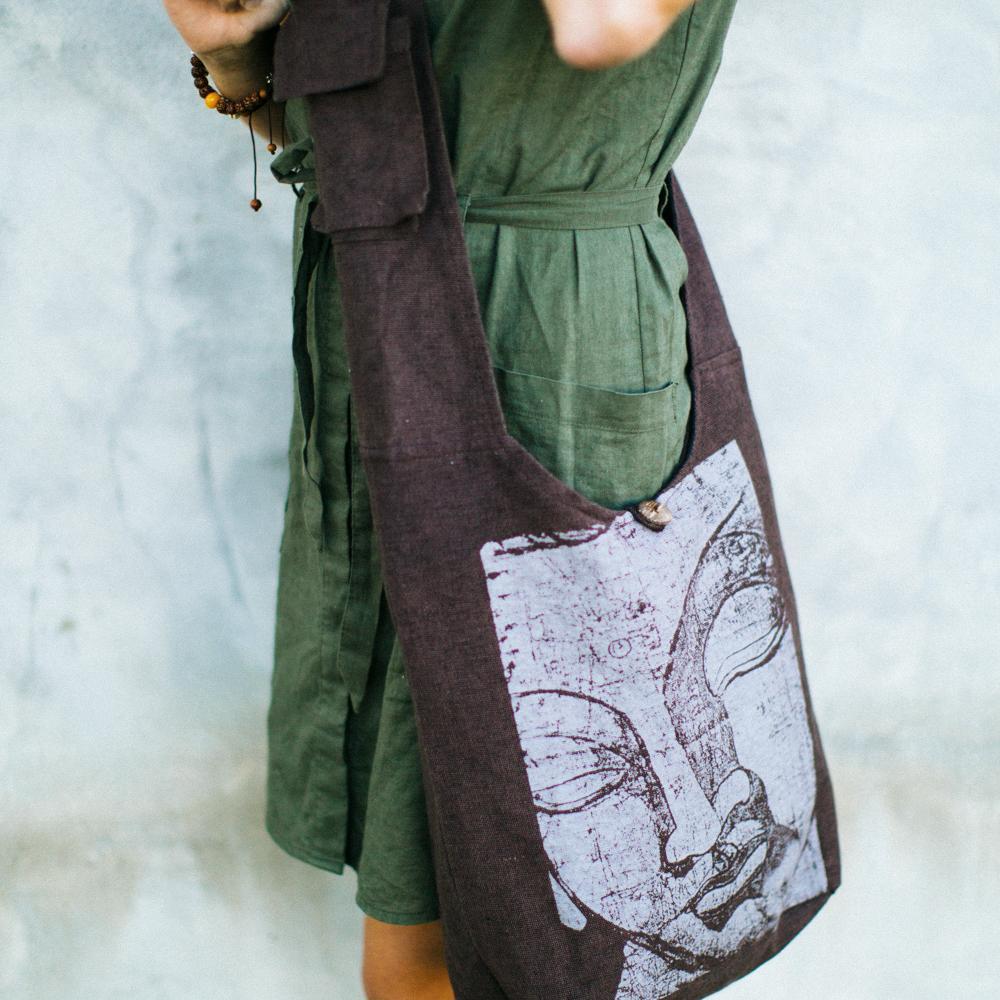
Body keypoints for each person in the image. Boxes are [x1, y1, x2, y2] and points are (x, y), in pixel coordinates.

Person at [163, 2, 738, 997]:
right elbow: (354, 121)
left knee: (573, 931)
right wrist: (233, 56)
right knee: (417, 928)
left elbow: (601, 23)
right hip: (378, 331)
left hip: (548, 351)